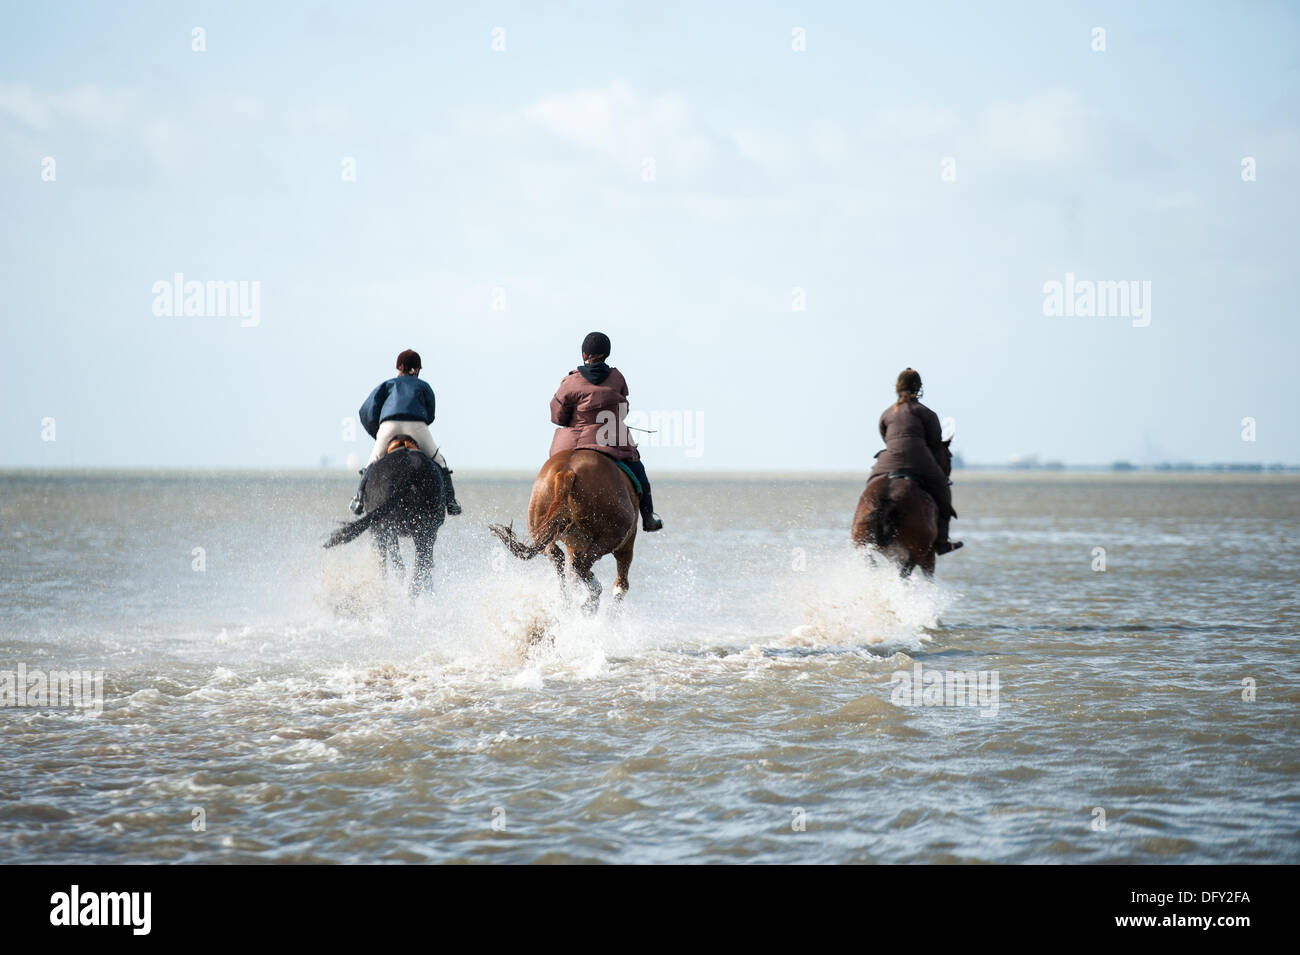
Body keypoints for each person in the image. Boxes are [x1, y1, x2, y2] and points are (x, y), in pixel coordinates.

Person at [549, 331, 662, 531]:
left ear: (584, 355)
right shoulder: (617, 378)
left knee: (552, 472)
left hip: (571, 442)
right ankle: (648, 517)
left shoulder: (570, 382)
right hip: (610, 440)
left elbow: (557, 415)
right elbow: (623, 410)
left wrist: (572, 420)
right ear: (607, 354)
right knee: (639, 471)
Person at [349, 349, 461, 516]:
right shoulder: (423, 386)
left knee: (371, 463)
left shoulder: (387, 384)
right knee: (440, 462)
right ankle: (451, 502)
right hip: (416, 426)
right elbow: (430, 414)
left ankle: (358, 500)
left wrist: (378, 432)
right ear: (415, 370)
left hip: (389, 426)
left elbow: (366, 412)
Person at [868, 367, 961, 554]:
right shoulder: (927, 413)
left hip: (887, 461)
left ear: (897, 387)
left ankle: (864, 536)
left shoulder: (886, 414)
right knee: (943, 488)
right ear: (918, 387)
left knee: (871, 487)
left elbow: (885, 438)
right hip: (918, 459)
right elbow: (935, 445)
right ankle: (942, 541)